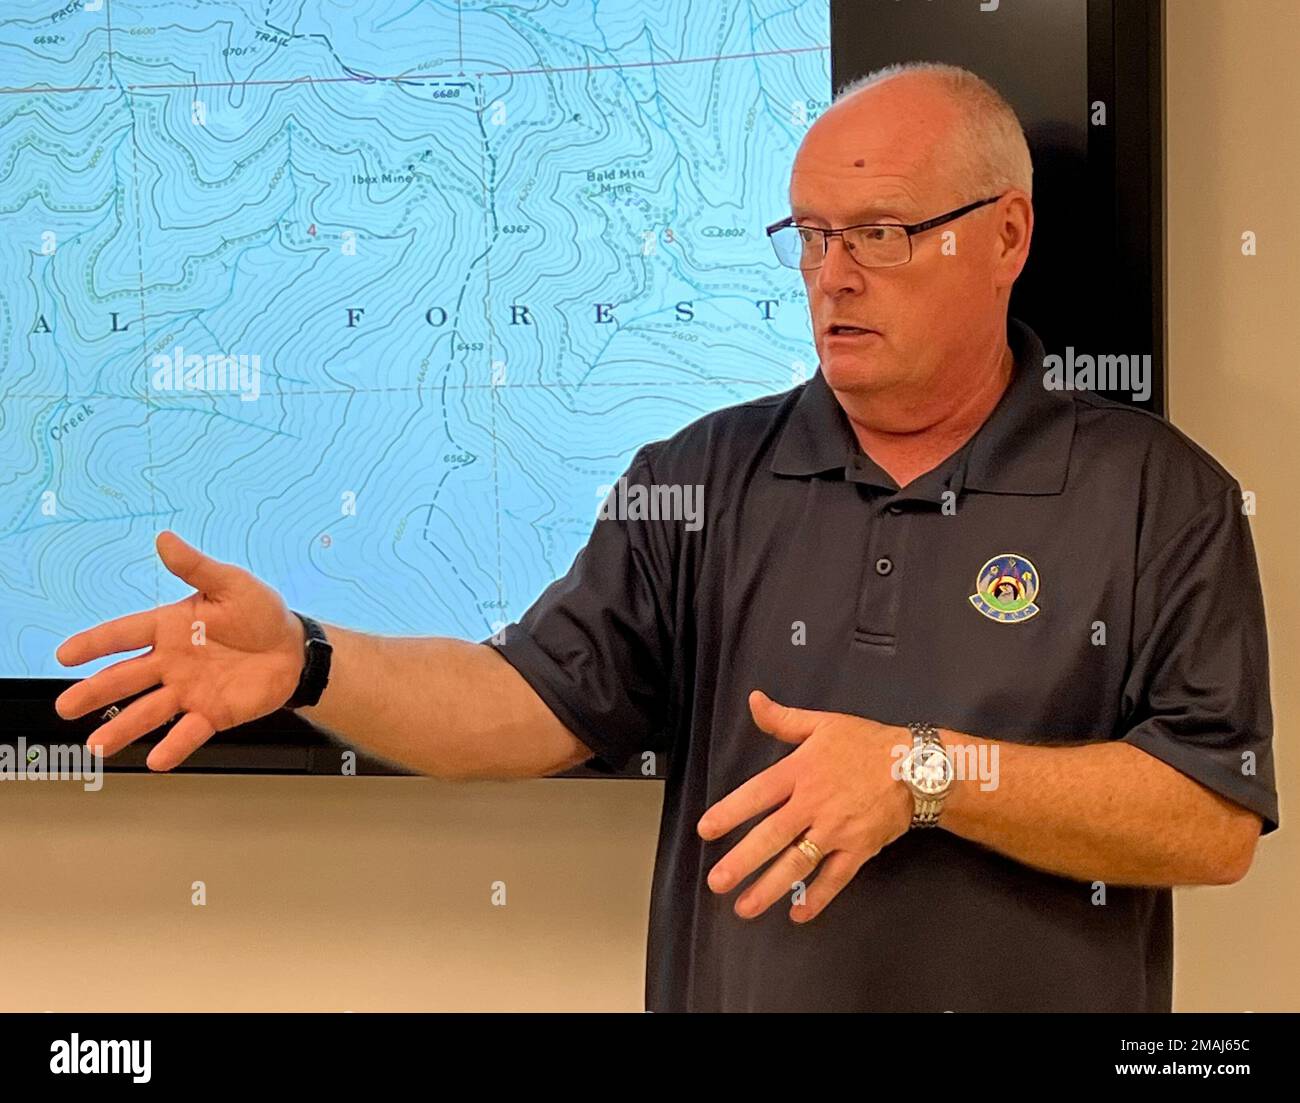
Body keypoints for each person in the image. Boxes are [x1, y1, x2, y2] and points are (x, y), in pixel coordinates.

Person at [55, 62, 1277, 1012]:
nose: (831, 276)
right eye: (807, 234)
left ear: (1003, 237)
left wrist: (925, 773)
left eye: (880, 233)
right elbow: (517, 702)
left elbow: (1211, 822)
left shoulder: (1158, 495)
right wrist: (310, 660)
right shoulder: (696, 477)